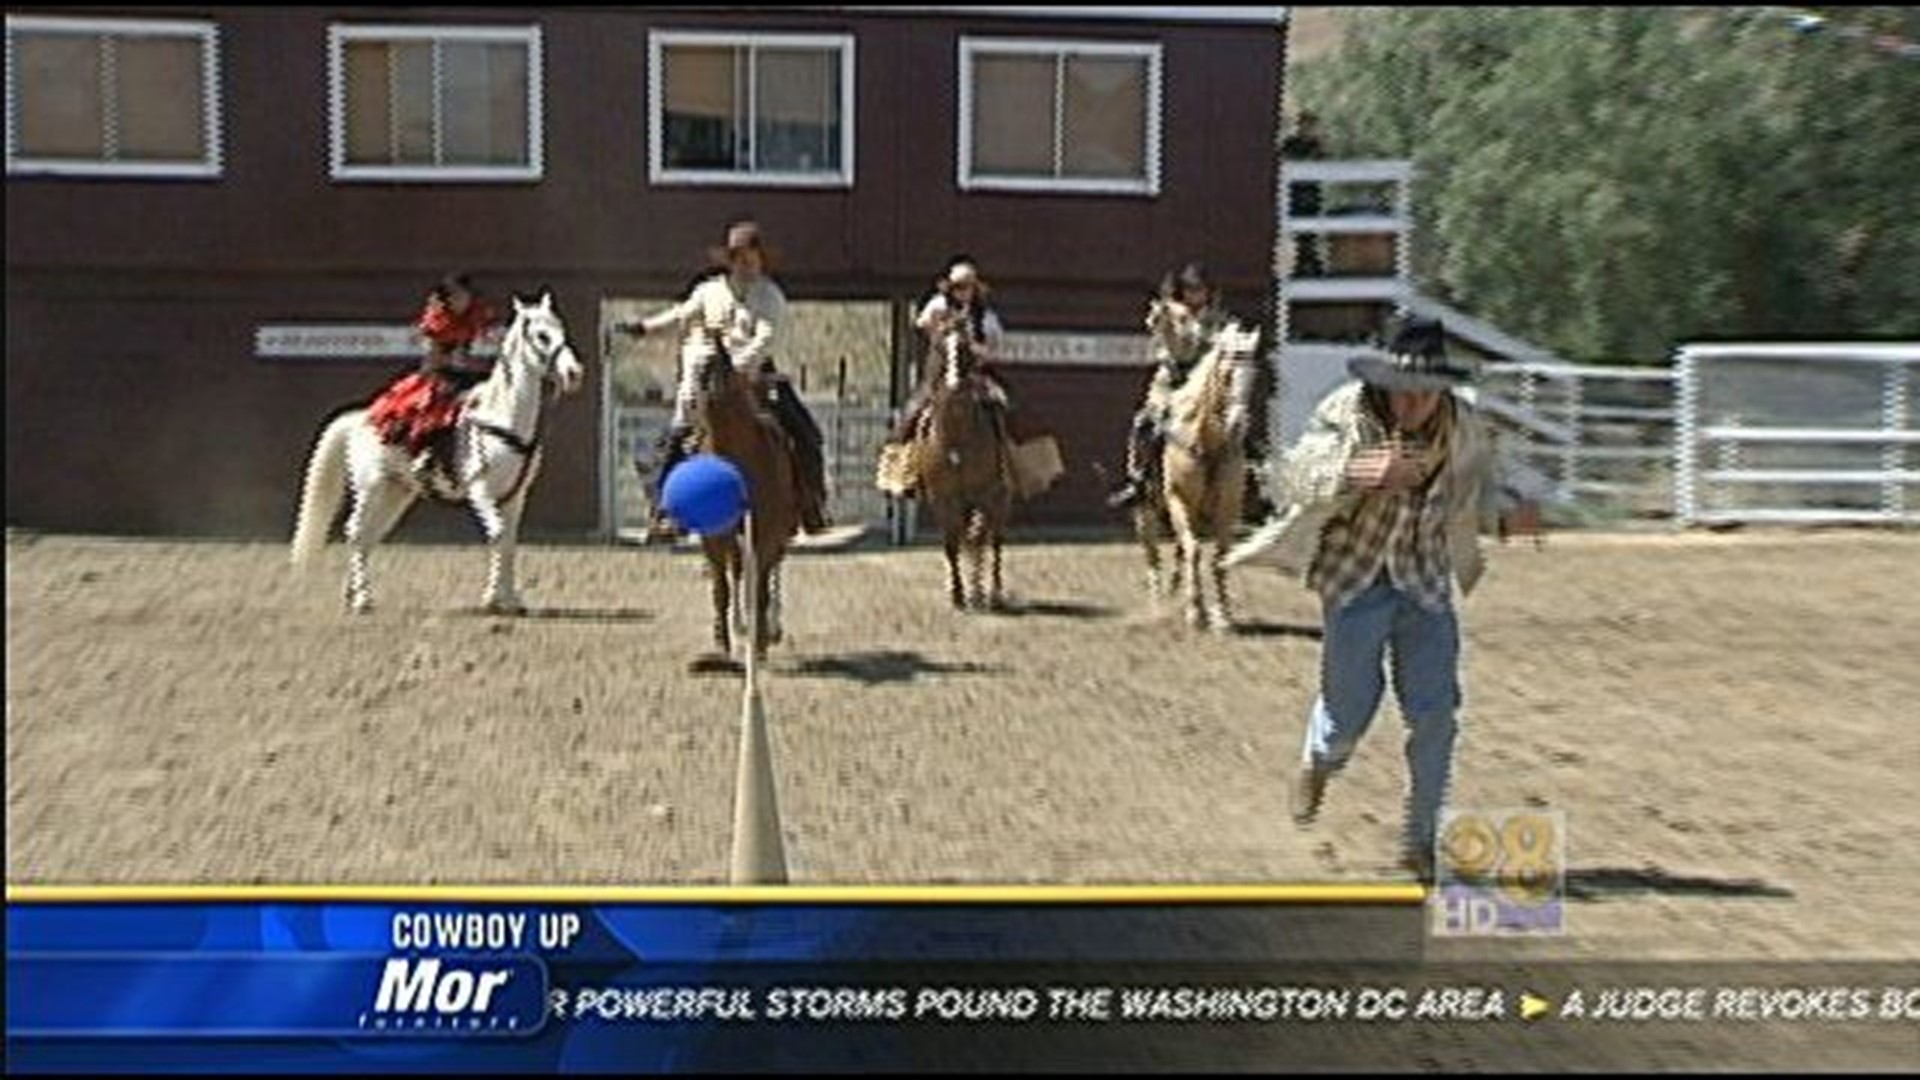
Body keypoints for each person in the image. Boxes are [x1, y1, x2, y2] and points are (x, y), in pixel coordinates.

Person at [1231, 315, 1540, 882]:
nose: (1411, 404)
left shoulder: (1464, 428)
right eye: (1401, 390)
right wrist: (1357, 470)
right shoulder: (1347, 412)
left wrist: (1506, 517)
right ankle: (1319, 762)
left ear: (1441, 389)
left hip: (1425, 582)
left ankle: (1419, 840)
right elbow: (1290, 475)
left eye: (1424, 392)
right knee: (1348, 713)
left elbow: (1477, 497)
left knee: (1437, 713)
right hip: (1355, 581)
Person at [614, 220, 829, 535]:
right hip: (710, 374)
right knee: (679, 432)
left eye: (752, 258)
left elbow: (765, 339)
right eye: (740, 258)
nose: (746, 264)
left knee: (806, 432)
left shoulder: (770, 296)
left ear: (761, 260)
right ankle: (664, 510)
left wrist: (740, 367)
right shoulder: (709, 291)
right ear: (730, 260)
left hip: (758, 374)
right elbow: (681, 315)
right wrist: (645, 327)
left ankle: (812, 503)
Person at [1106, 262, 1234, 509]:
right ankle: (1138, 479)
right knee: (1144, 424)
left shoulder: (1219, 319)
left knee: (1234, 423)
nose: (1195, 294)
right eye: (1190, 289)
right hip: (1172, 381)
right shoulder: (1170, 312)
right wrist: (1163, 307)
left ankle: (1245, 480)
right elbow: (1157, 327)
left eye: (1200, 289)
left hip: (1205, 382)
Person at [367, 273, 500, 486]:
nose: (461, 301)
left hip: (469, 375)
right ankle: (426, 456)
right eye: (456, 297)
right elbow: (432, 360)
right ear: (447, 299)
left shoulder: (476, 318)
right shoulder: (437, 322)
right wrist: (448, 373)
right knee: (438, 411)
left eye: (464, 296)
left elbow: (481, 349)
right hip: (440, 375)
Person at [887, 257, 1011, 445]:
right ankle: (894, 452)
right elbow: (921, 325)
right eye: (958, 287)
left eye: (967, 288)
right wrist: (937, 329)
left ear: (975, 290)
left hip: (975, 375)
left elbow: (997, 349)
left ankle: (1008, 454)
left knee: (1003, 403)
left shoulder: (986, 317)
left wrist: (978, 349)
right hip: (937, 376)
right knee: (912, 410)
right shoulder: (938, 305)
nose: (963, 292)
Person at [1280, 111, 1327, 277]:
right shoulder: (1290, 143)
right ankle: (1308, 266)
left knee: (1309, 233)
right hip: (1295, 192)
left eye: (1311, 126)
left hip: (1312, 193)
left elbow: (1321, 162)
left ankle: (1307, 266)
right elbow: (1286, 161)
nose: (1308, 128)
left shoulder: (1316, 145)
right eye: (1305, 125)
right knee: (1301, 232)